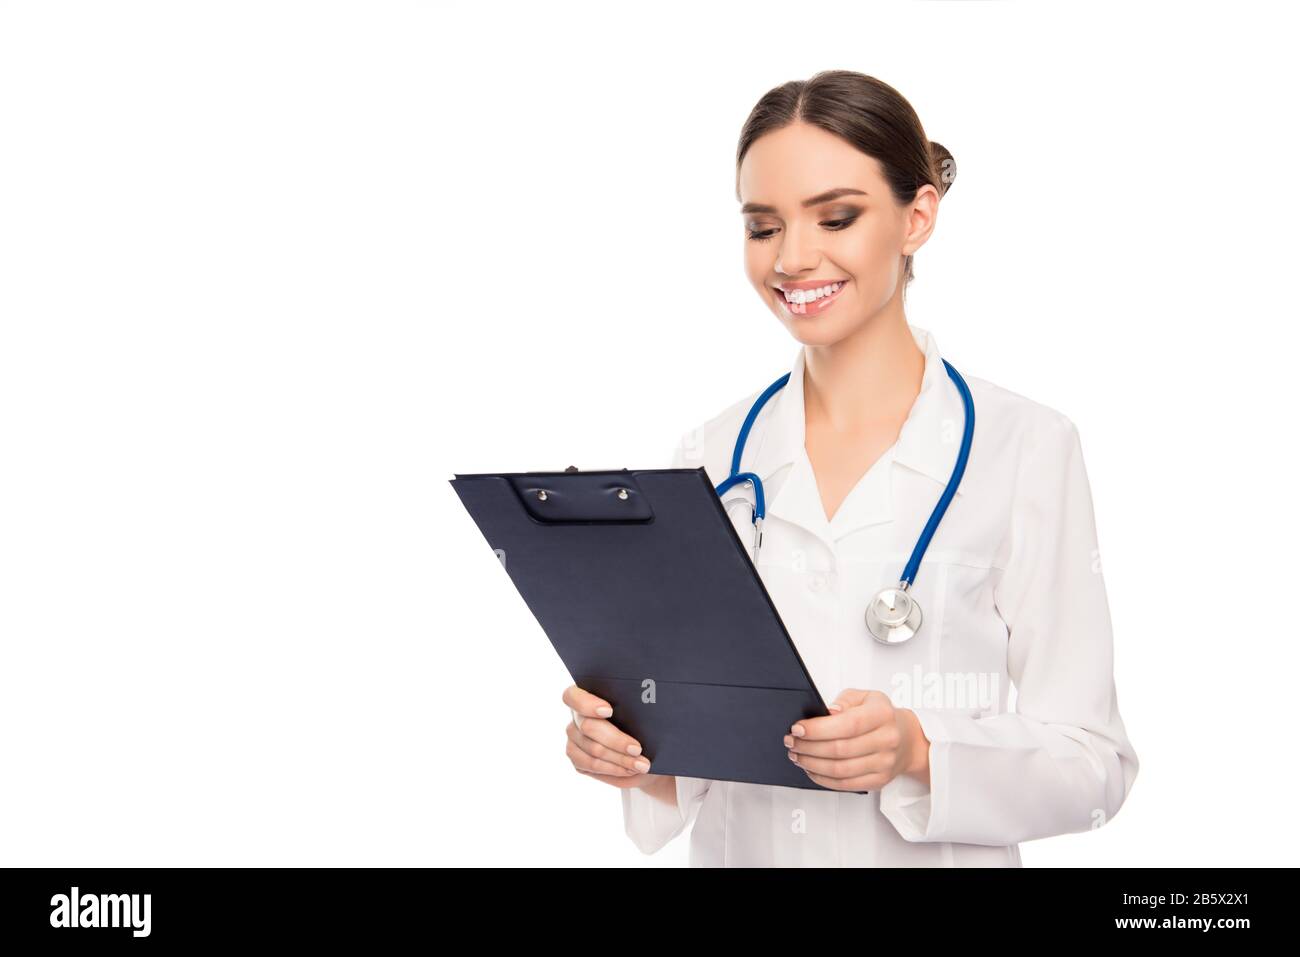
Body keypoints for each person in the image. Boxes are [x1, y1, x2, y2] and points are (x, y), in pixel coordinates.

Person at [561, 70, 1139, 867]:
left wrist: (919, 751)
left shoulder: (1026, 447)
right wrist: (630, 751)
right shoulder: (711, 455)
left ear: (918, 215)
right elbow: (686, 762)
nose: (794, 258)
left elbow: (1094, 763)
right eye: (763, 227)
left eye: (836, 216)